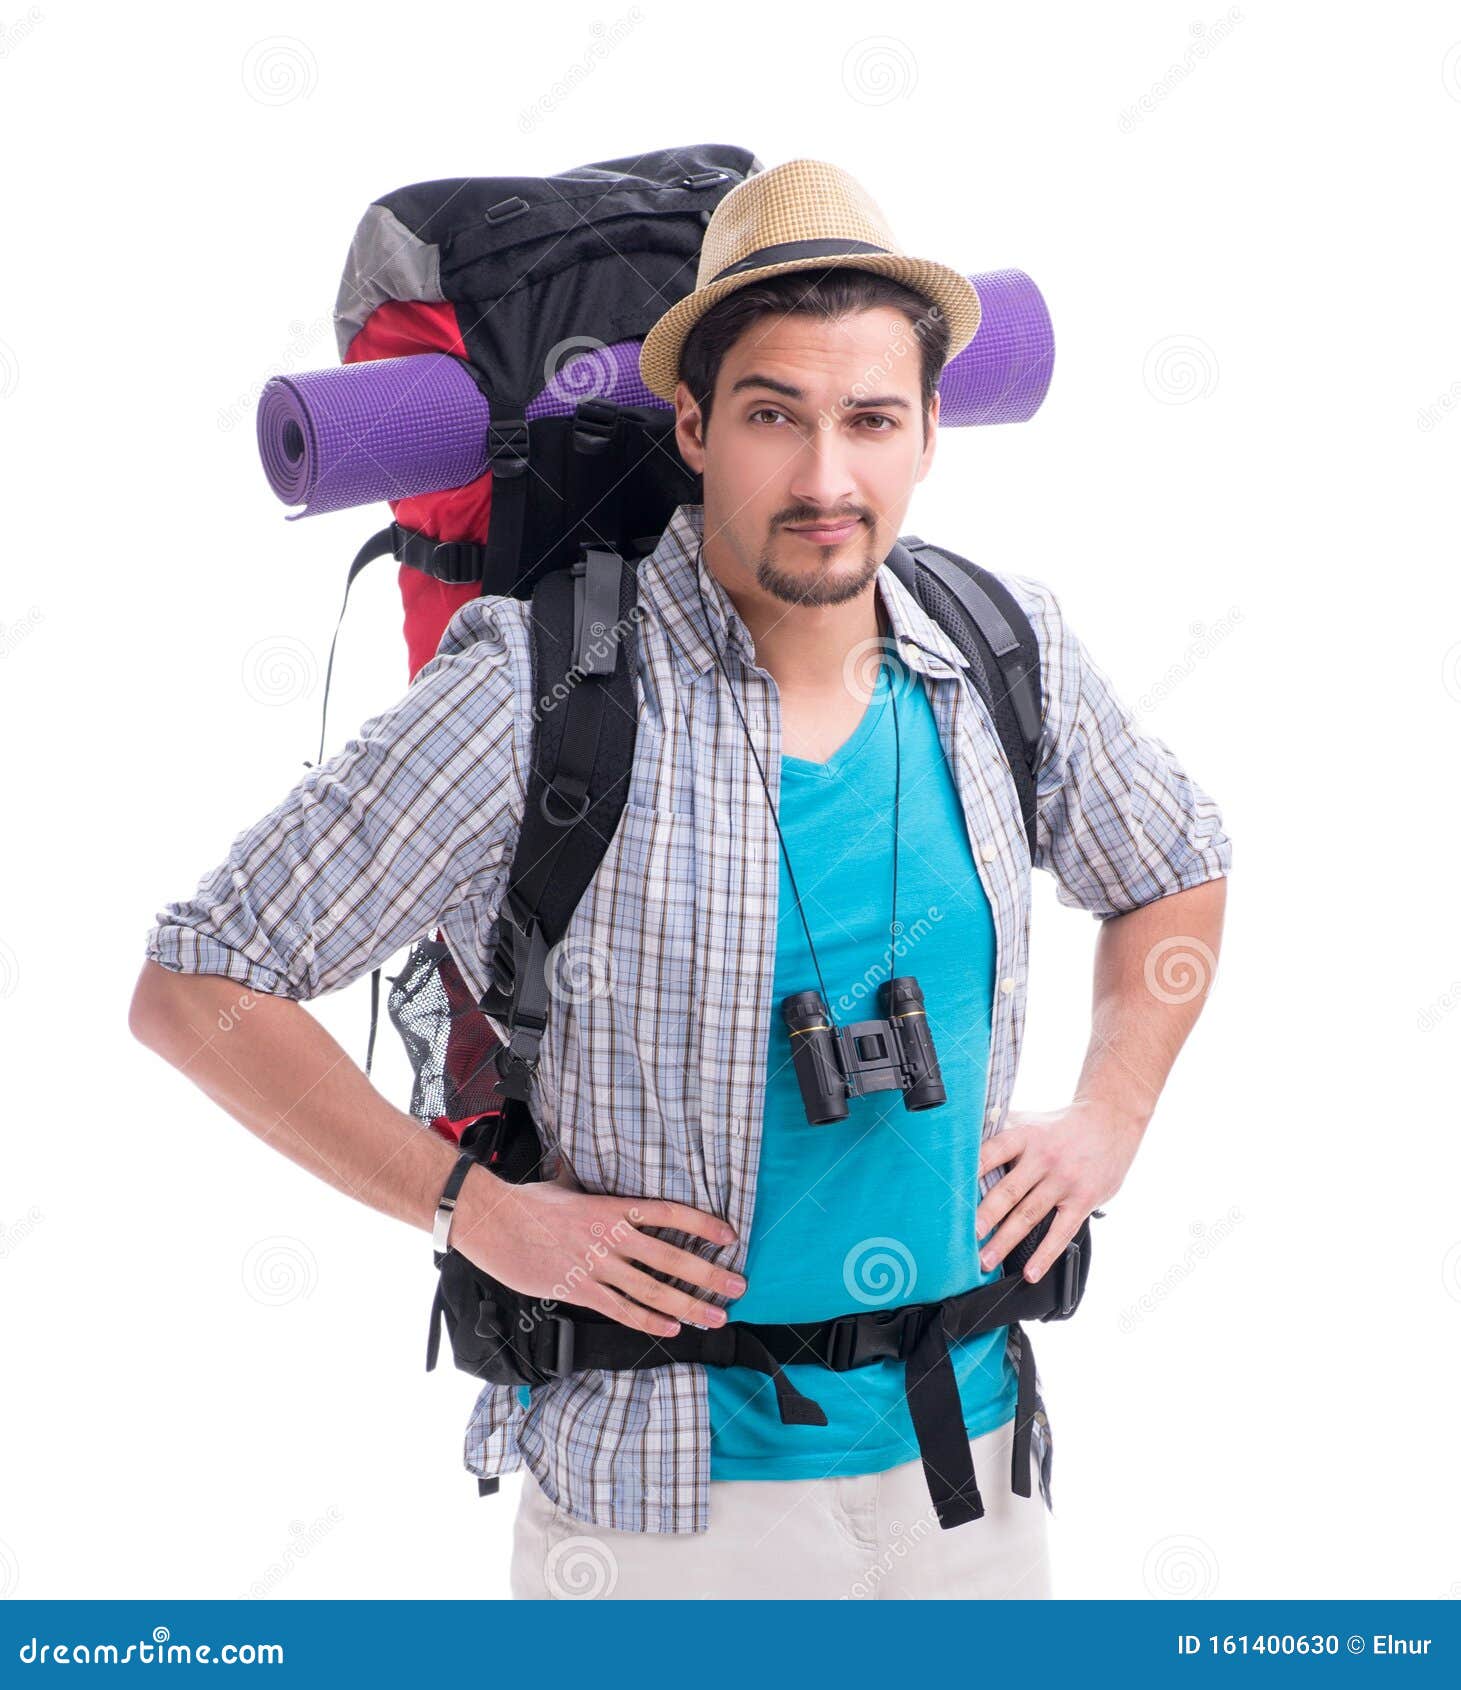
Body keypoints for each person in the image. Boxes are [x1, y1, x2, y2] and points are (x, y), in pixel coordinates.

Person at [129, 158, 1231, 1600]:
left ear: (928, 433)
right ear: (697, 426)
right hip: (662, 1517)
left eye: (870, 420)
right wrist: (476, 1210)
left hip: (972, 1468)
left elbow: (1175, 865)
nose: (826, 478)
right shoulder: (537, 691)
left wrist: (1112, 1110)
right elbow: (198, 980)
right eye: (774, 414)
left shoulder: (1004, 651)